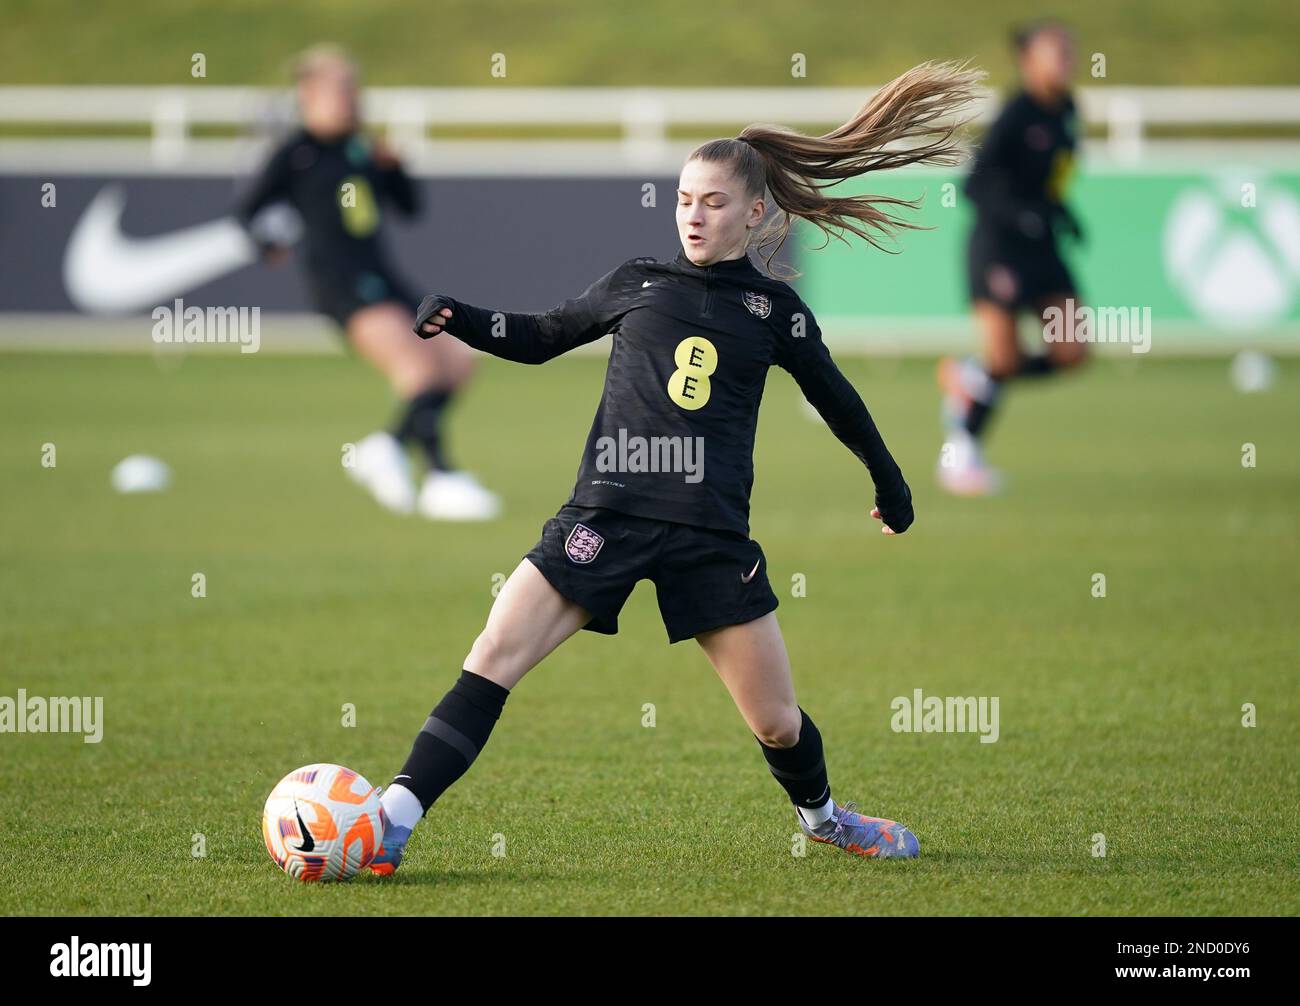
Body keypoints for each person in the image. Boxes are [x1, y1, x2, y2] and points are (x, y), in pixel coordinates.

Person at [367, 61, 986, 873]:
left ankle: (826, 819)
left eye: (714, 202)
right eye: (685, 199)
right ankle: (391, 820)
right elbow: (542, 334)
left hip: (710, 536)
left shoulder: (775, 313)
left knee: (777, 724)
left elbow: (841, 403)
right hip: (606, 515)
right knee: (493, 655)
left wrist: (892, 483)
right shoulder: (637, 282)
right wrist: (463, 319)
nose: (694, 215)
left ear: (754, 213)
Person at [236, 44, 501, 520]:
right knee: (418, 372)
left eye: (352, 90)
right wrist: (265, 245)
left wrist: (393, 166)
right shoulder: (296, 154)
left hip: (384, 278)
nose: (349, 100)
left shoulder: (362, 149)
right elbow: (246, 210)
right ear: (308, 94)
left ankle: (405, 457)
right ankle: (428, 469)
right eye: (338, 90)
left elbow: (410, 208)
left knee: (457, 363)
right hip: (340, 284)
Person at [936, 20, 1087, 495]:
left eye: (1068, 51)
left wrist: (1064, 213)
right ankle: (961, 454)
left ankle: (970, 374)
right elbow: (974, 183)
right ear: (1028, 61)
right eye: (1054, 52)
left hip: (1043, 245)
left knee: (1072, 349)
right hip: (1000, 247)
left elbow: (1054, 175)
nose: (1064, 60)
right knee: (1003, 357)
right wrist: (1021, 215)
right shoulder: (1015, 115)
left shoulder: (1066, 110)